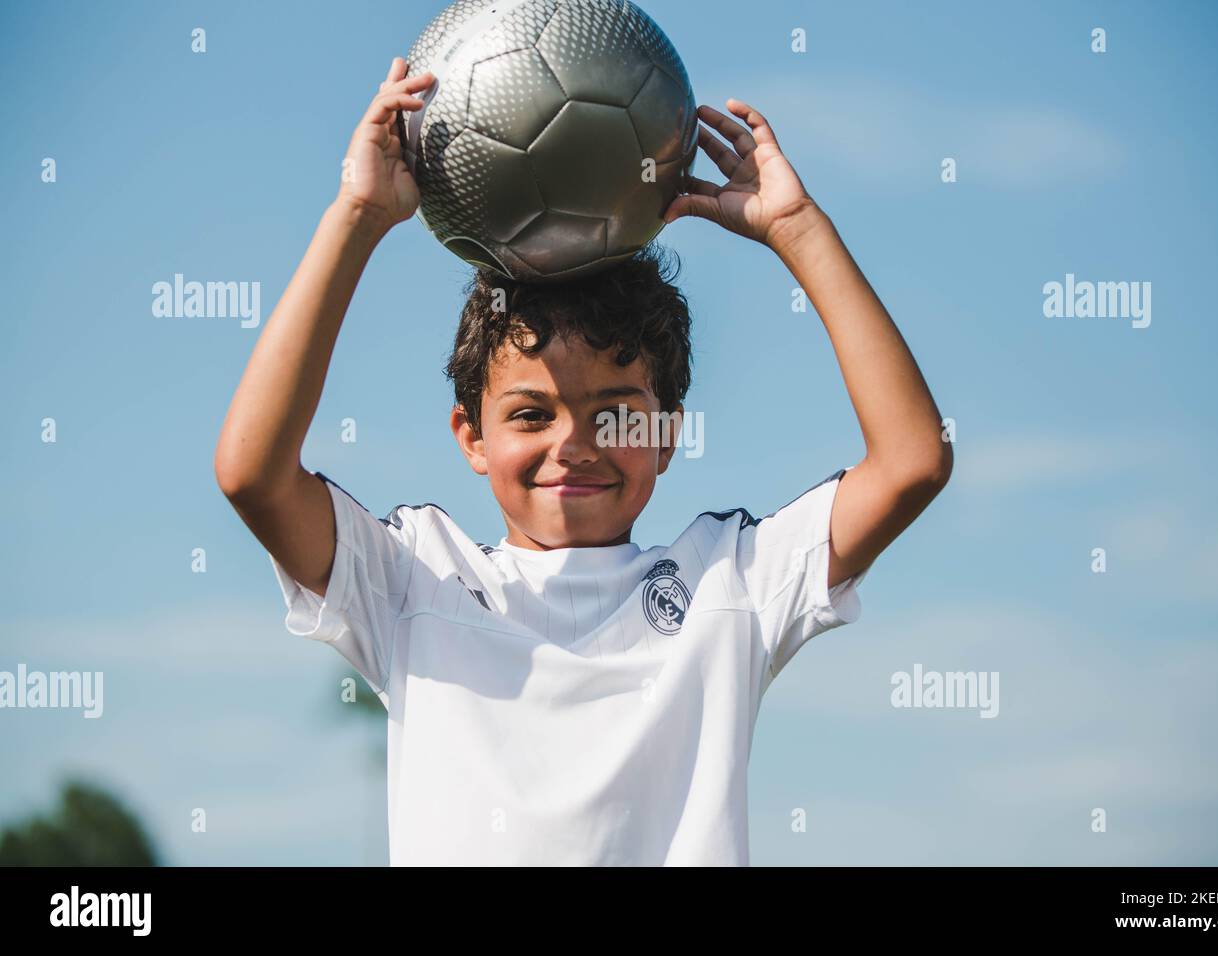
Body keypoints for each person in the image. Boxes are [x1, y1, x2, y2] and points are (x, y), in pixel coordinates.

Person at [214, 56, 952, 865]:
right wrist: (356, 215)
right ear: (471, 436)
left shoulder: (728, 583)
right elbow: (253, 473)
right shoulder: (410, 579)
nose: (574, 444)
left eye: (616, 415)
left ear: (668, 434)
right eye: (531, 414)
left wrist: (796, 228)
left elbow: (913, 460)